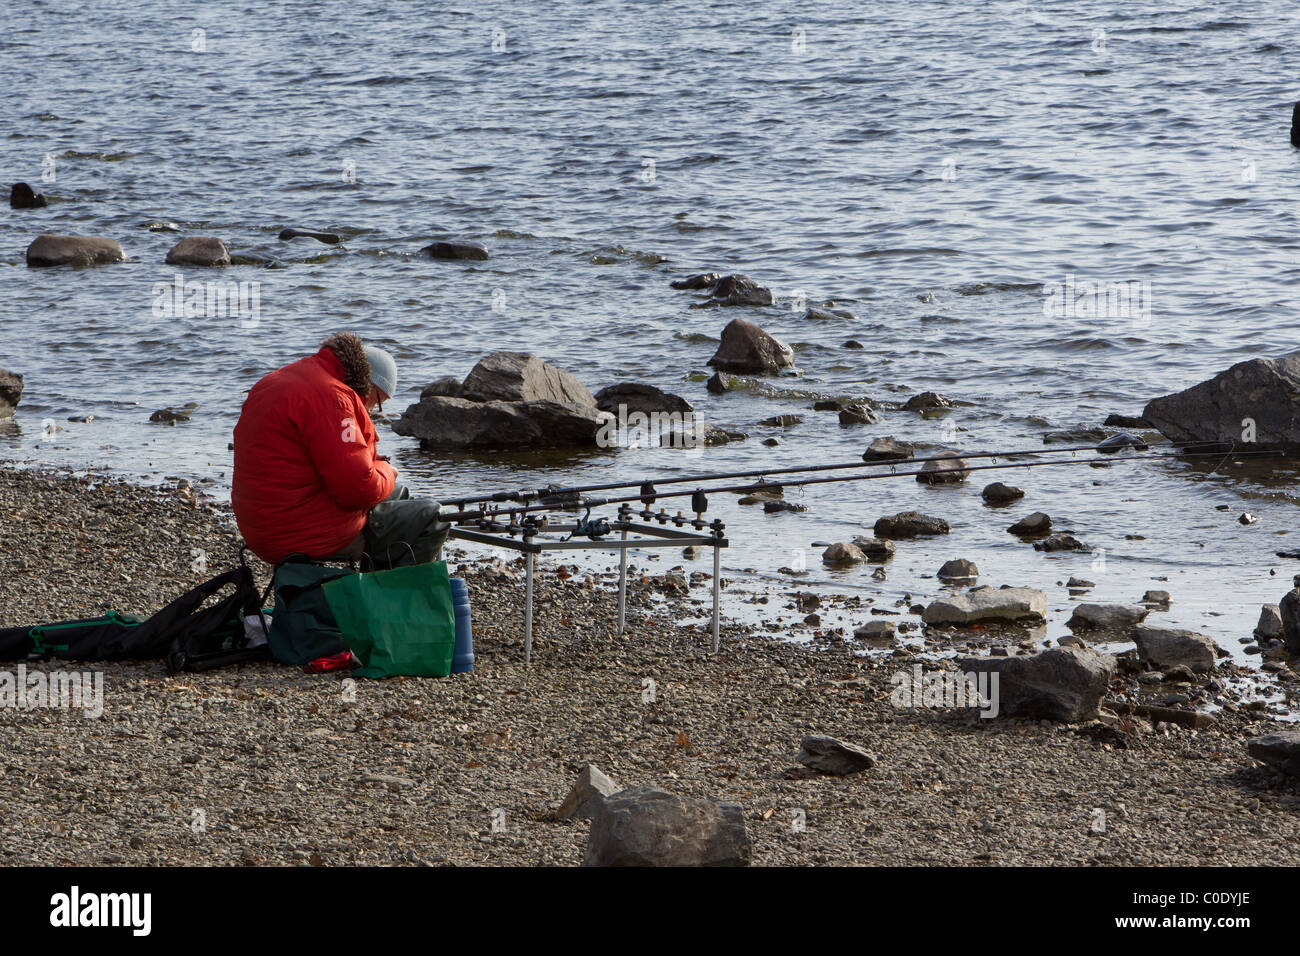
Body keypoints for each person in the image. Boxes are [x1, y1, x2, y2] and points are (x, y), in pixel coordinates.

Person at [232, 331, 448, 569]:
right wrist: (387, 471)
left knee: (400, 495)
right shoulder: (333, 398)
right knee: (433, 517)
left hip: (263, 524)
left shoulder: (293, 378)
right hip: (297, 533)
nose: (373, 410)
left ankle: (374, 586)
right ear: (367, 384)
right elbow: (357, 490)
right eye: (377, 402)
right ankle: (394, 601)